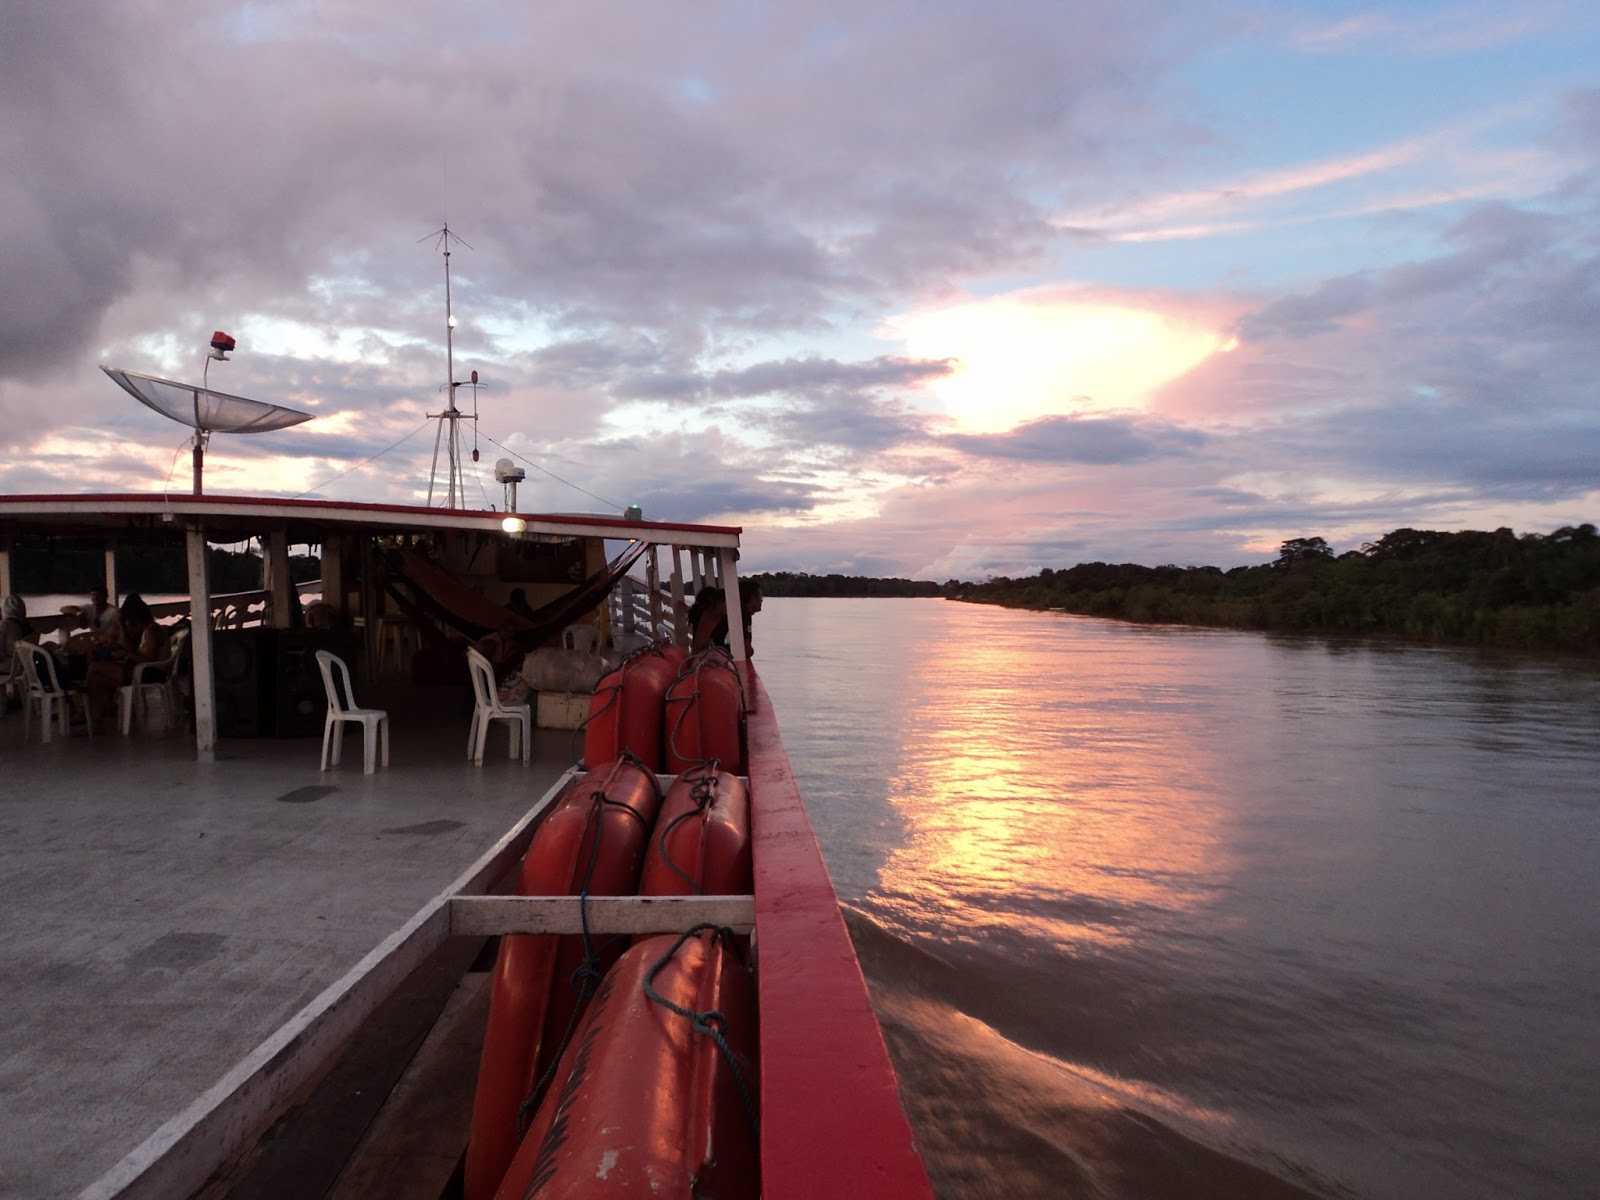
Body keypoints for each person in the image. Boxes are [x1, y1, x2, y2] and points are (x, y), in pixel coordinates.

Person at [85, 593, 170, 720]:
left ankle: (89, 715)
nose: (127, 623)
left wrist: (126, 654)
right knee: (96, 679)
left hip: (150, 673)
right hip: (143, 670)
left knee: (94, 667)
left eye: (128, 620)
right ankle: (97, 716)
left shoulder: (151, 631)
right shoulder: (149, 629)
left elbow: (150, 660)